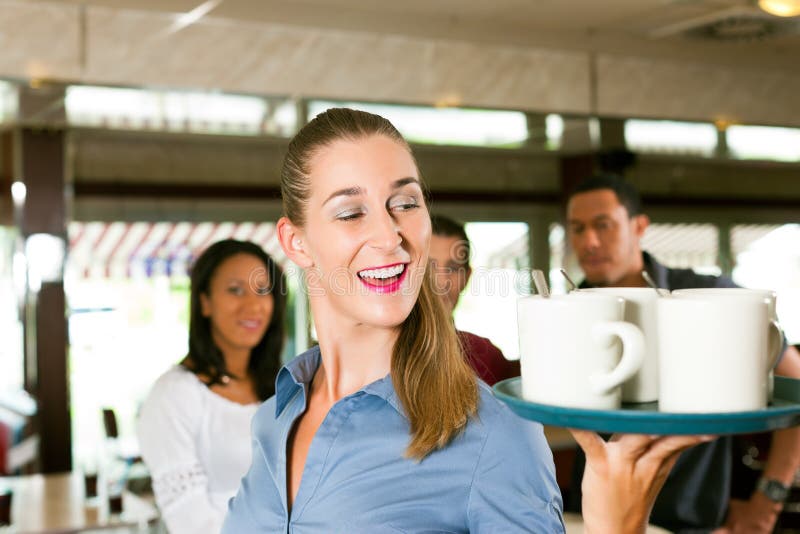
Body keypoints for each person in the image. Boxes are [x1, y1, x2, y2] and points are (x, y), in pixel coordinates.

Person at [221, 108, 708, 533]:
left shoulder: (492, 433)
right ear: (296, 242)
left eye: (406, 203)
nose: (389, 236)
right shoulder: (275, 417)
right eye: (351, 213)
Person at [565, 173, 800, 533]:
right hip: (595, 517)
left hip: (692, 522)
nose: (589, 241)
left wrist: (768, 500)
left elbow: (794, 379)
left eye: (603, 225)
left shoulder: (706, 294)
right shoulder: (571, 305)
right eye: (577, 228)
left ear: (639, 226)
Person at [137, 239, 286, 534]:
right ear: (204, 301)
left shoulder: (284, 388)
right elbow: (189, 520)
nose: (253, 305)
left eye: (262, 291)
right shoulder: (174, 395)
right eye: (235, 290)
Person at [429, 214, 520, 385]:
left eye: (453, 268)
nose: (441, 282)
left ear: (467, 277)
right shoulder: (380, 354)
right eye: (428, 267)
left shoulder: (487, 357)